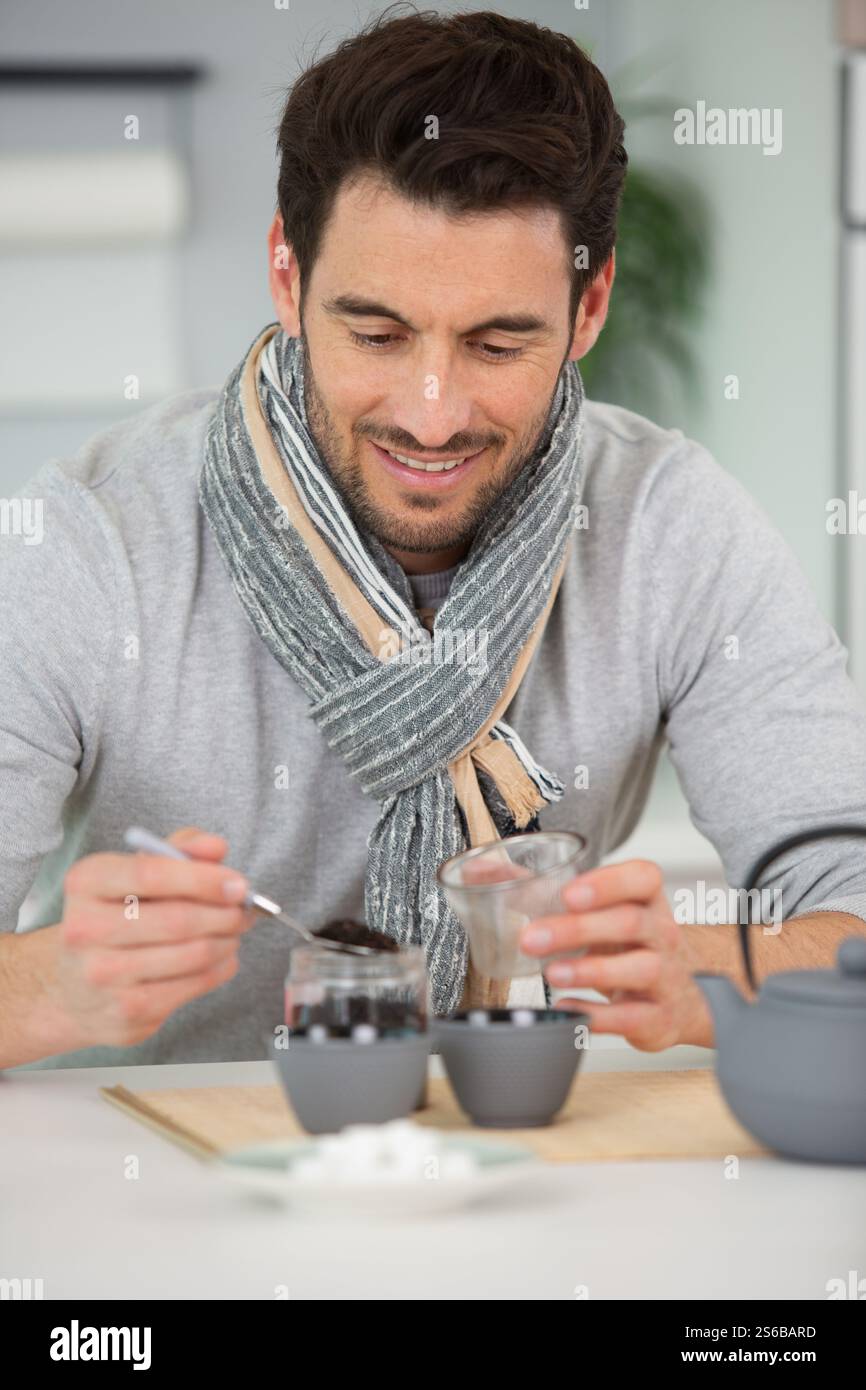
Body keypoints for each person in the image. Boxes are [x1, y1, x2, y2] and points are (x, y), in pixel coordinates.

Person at [2, 10, 865, 1071]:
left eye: (497, 341)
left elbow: (849, 914)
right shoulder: (90, 543)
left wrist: (711, 970)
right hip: (156, 1188)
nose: (430, 411)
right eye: (375, 333)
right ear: (285, 273)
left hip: (505, 1172)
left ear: (588, 304)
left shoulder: (671, 532)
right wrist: (48, 985)